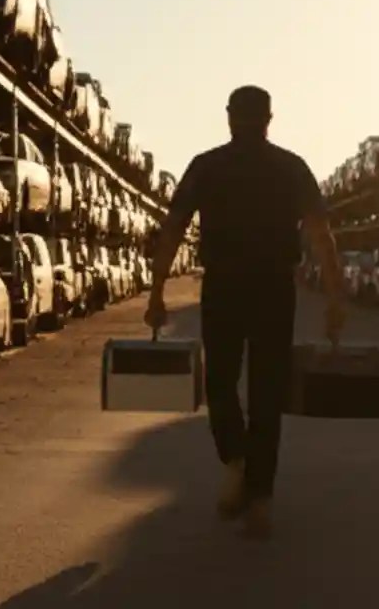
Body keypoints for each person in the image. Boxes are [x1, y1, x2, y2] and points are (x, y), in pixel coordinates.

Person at [145, 85, 346, 541]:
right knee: (267, 394)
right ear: (269, 118)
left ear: (229, 117)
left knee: (220, 383)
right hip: (274, 288)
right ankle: (260, 501)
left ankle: (234, 459)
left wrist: (156, 292)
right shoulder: (291, 168)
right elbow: (321, 236)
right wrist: (336, 297)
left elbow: (172, 229)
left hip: (224, 287)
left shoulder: (207, 166)